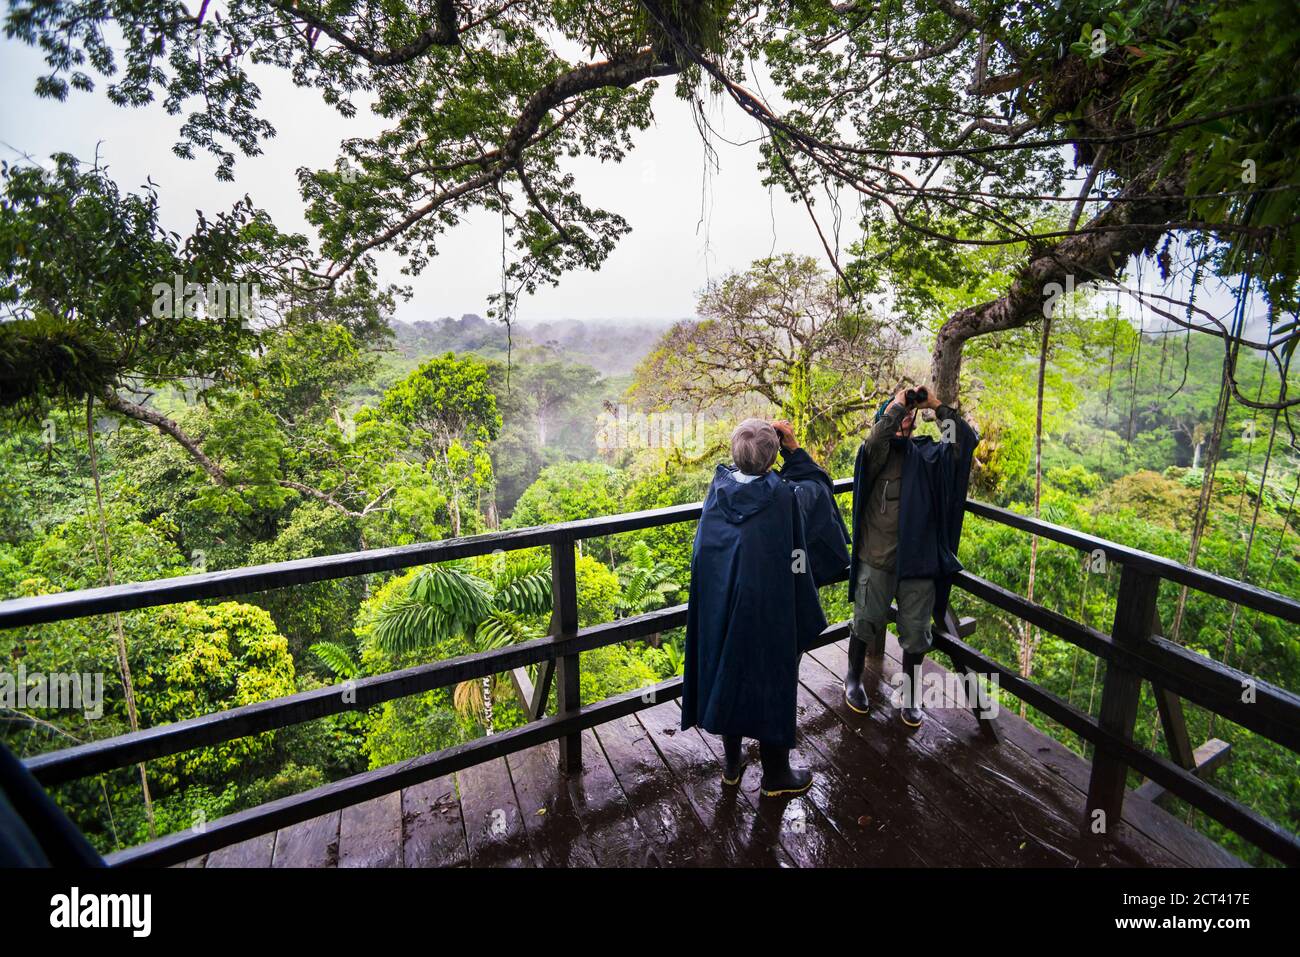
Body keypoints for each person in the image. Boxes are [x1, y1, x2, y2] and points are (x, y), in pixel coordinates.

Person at [681, 418, 829, 797]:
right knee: (771, 680)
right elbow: (819, 489)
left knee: (728, 671)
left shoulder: (718, 489)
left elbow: (707, 551)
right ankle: (776, 775)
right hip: (767, 609)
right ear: (773, 458)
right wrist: (794, 451)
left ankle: (732, 765)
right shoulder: (783, 496)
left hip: (723, 604)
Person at [844, 385, 978, 727]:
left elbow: (963, 441)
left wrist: (935, 405)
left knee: (917, 632)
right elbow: (874, 442)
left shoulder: (930, 455)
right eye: (897, 416)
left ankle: (911, 694)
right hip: (877, 556)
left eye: (908, 416)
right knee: (865, 620)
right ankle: (853, 678)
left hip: (919, 561)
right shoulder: (877, 454)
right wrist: (897, 405)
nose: (904, 420)